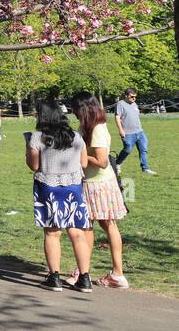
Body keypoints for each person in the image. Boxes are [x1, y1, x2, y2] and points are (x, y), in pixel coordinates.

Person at [26, 98, 92, 292]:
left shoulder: (38, 137)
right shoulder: (75, 136)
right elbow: (85, 164)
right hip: (73, 187)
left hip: (48, 186)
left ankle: (54, 277)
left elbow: (34, 166)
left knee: (52, 232)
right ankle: (85, 277)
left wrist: (27, 150)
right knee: (77, 232)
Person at [74, 94, 129, 289]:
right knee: (103, 225)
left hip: (98, 184)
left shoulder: (97, 129)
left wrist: (81, 156)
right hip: (94, 182)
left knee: (91, 226)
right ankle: (110, 273)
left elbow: (102, 161)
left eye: (76, 109)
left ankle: (89, 271)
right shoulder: (87, 126)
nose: (74, 113)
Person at [114, 88, 157, 175]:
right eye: (132, 96)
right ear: (126, 96)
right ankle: (117, 163)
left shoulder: (134, 104)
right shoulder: (120, 104)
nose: (134, 98)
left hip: (139, 132)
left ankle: (145, 168)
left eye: (135, 97)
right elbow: (117, 117)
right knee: (128, 149)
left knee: (144, 150)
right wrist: (121, 130)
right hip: (128, 133)